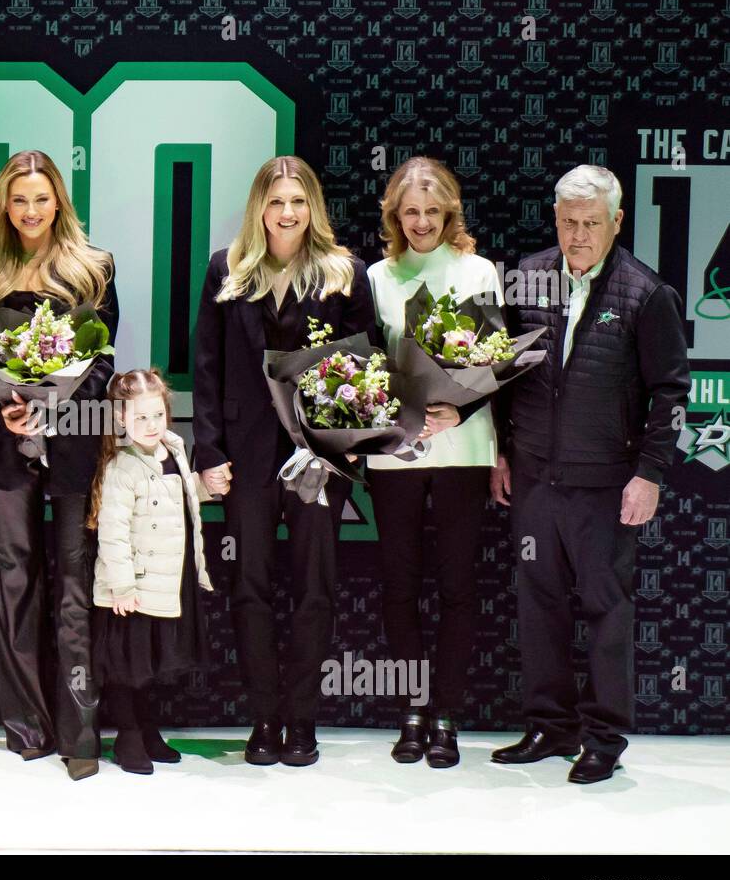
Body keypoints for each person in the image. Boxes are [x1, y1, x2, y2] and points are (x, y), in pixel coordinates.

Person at [490, 165, 689, 784]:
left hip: (605, 484)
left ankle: (603, 737)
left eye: (592, 224)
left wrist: (650, 473)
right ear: (556, 219)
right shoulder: (525, 278)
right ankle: (551, 726)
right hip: (533, 478)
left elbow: (670, 391)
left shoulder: (646, 293)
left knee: (606, 608)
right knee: (537, 602)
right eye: (570, 222)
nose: (579, 236)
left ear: (616, 223)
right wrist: (502, 450)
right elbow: (499, 373)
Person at [192, 155, 378, 767]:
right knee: (248, 590)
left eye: (299, 201)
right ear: (259, 208)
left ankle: (302, 723)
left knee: (314, 591)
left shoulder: (345, 273)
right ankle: (263, 721)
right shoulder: (229, 269)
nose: (288, 213)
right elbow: (209, 367)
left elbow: (365, 372)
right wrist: (210, 453)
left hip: (317, 458)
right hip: (245, 460)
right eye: (277, 202)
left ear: (313, 208)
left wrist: (336, 447)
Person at [0, 150, 118, 781]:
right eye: (19, 200)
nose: (30, 211)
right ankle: (26, 727)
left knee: (75, 588)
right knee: (13, 581)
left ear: (60, 200)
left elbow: (104, 363)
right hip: (5, 450)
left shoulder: (96, 268)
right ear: (6, 204)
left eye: (41, 198)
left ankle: (80, 733)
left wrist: (54, 410)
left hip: (76, 448)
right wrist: (4, 408)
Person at [365, 157, 503, 769]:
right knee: (399, 587)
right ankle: (412, 712)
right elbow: (364, 367)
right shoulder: (376, 276)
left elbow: (496, 366)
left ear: (450, 212)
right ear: (395, 215)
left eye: (431, 211)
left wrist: (461, 413)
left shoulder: (479, 271)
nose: (420, 222)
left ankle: (446, 714)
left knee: (457, 588)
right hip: (395, 453)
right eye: (409, 212)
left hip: (465, 453)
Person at [90, 369, 213, 774]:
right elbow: (112, 532)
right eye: (140, 417)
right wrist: (122, 587)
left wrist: (207, 487)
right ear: (121, 417)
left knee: (150, 666)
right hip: (132, 587)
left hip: (166, 579)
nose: (150, 425)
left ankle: (147, 729)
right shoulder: (120, 466)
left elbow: (176, 496)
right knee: (128, 667)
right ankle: (127, 736)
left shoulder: (174, 449)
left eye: (156, 415)